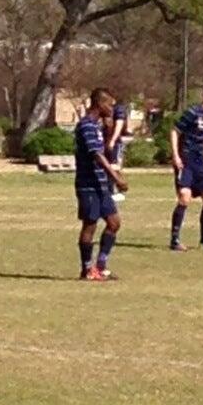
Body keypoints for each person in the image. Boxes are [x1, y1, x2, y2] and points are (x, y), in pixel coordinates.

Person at [75, 88, 128, 280]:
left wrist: (109, 129)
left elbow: (104, 150)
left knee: (114, 223)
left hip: (101, 183)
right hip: (88, 184)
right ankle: (87, 269)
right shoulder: (86, 126)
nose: (112, 110)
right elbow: (97, 155)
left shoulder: (97, 127)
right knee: (90, 225)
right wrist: (116, 178)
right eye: (110, 105)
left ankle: (101, 265)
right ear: (100, 104)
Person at [170, 80, 203, 251]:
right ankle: (175, 240)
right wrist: (176, 155)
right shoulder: (193, 112)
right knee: (184, 197)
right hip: (186, 160)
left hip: (200, 162)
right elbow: (175, 131)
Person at [104, 101, 127, 203]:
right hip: (105, 142)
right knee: (107, 167)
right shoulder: (104, 109)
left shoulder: (118, 109)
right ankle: (109, 191)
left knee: (115, 167)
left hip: (114, 143)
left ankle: (120, 190)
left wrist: (113, 140)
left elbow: (119, 125)